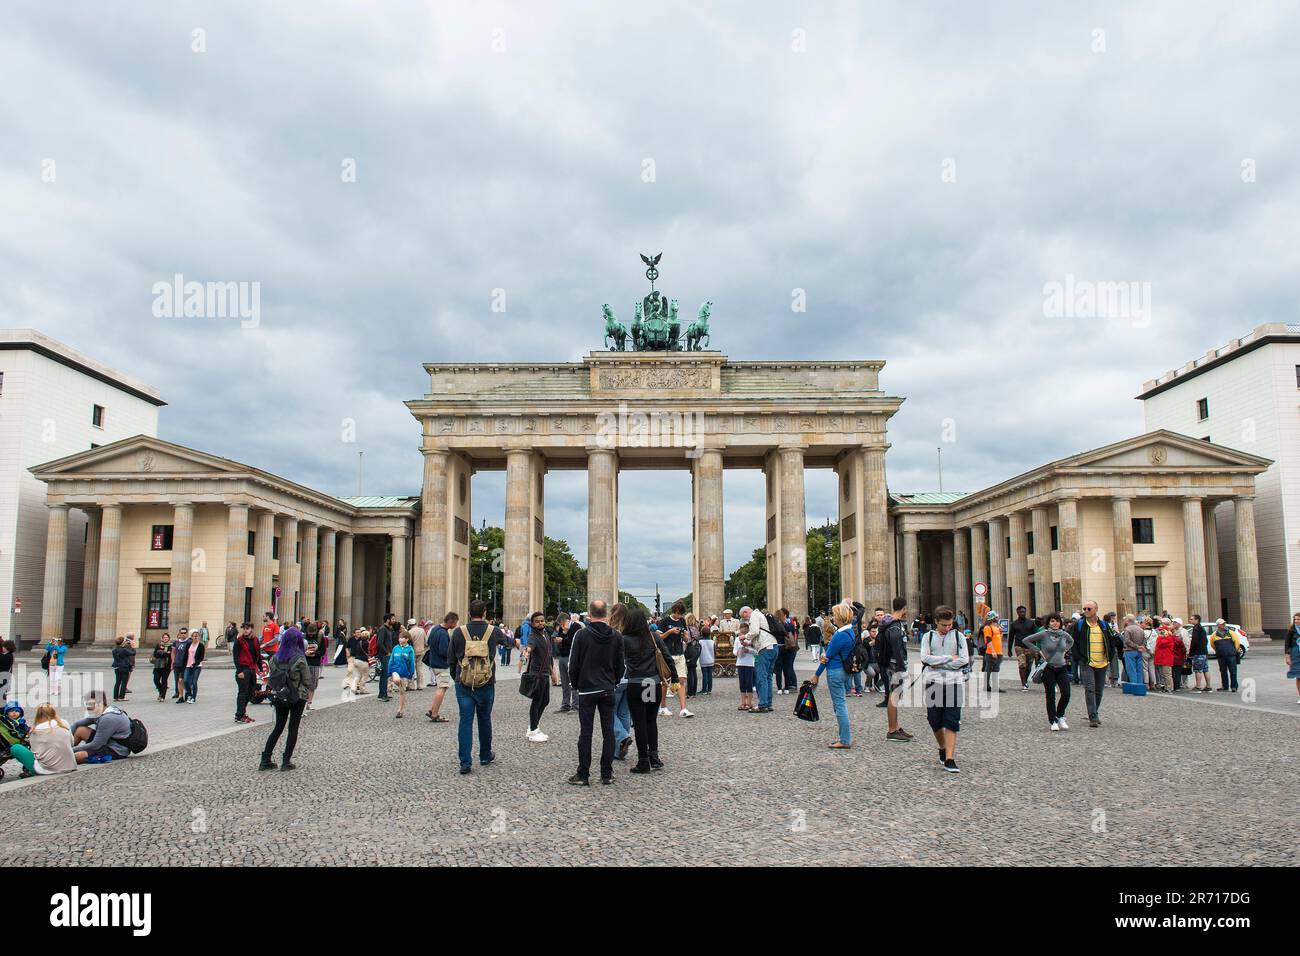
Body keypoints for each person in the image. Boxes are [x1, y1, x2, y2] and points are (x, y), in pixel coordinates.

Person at [567, 599, 626, 785]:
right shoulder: (616, 636)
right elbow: (621, 665)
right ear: (606, 615)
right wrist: (613, 682)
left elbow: (573, 664)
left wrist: (576, 685)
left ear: (589, 615)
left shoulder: (581, 635)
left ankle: (583, 774)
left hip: (586, 690)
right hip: (608, 689)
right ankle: (606, 774)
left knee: (586, 733)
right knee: (608, 732)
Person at [451, 600, 505, 775]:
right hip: (486, 683)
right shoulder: (493, 631)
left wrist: (457, 677)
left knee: (465, 721)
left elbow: (450, 659)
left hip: (464, 683)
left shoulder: (459, 632)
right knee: (484, 718)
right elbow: (510, 642)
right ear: (484, 613)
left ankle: (465, 762)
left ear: (468, 613)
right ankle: (485, 755)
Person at [621, 607, 676, 773]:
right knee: (651, 720)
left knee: (639, 723)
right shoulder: (653, 638)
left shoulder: (624, 640)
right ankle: (654, 757)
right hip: (651, 683)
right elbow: (667, 657)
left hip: (636, 683)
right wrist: (673, 677)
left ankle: (643, 761)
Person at [919, 605, 968, 772]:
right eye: (943, 625)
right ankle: (942, 747)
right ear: (936, 622)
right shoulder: (928, 637)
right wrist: (948, 658)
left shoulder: (959, 636)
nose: (947, 628)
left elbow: (963, 660)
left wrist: (938, 662)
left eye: (950, 625)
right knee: (934, 720)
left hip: (954, 682)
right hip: (934, 681)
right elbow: (925, 658)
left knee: (952, 720)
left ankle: (949, 758)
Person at [259, 626, 310, 771]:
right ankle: (286, 761)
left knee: (278, 727)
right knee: (293, 728)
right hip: (297, 695)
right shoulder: (299, 658)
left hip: (280, 694)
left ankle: (265, 759)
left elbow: (272, 677)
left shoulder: (275, 658)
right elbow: (307, 680)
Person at [809, 602, 857, 749]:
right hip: (843, 669)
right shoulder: (850, 632)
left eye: (834, 615)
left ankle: (844, 740)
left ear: (840, 617)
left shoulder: (839, 635)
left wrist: (816, 674)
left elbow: (827, 657)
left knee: (839, 704)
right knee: (840, 703)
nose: (832, 617)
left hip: (835, 671)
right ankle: (844, 737)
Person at [1023, 612, 1074, 731]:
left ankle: (1060, 715)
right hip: (1048, 668)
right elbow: (1026, 640)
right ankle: (1053, 720)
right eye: (1052, 621)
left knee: (1066, 693)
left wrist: (1066, 649)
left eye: (1057, 621)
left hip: (1061, 667)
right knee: (1050, 695)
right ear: (1048, 623)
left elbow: (1071, 641)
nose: (1055, 623)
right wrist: (1038, 651)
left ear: (1060, 622)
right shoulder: (1043, 634)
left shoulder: (1064, 634)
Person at [1070, 600, 1117, 728]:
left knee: (1099, 690)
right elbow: (1073, 642)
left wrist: (1110, 655)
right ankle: (1092, 716)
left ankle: (1094, 712)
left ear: (1096, 610)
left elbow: (1112, 641)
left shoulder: (1103, 625)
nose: (1085, 611)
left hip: (1102, 661)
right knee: (1089, 688)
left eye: (1088, 609)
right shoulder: (1079, 625)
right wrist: (1079, 657)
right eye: (1084, 609)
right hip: (1087, 662)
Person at [8, 703, 77, 777]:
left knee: (16, 748)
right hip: (70, 766)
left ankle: (30, 771)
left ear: (38, 715)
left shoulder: (35, 730)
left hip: (47, 770)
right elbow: (72, 743)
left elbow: (35, 752)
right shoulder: (64, 723)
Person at [878, 598, 913, 742]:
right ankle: (892, 730)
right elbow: (896, 647)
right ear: (903, 609)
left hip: (891, 663)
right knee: (894, 696)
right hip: (895, 664)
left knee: (895, 695)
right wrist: (901, 665)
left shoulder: (891, 623)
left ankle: (896, 727)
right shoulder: (895, 625)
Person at [71, 691, 132, 763]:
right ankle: (62, 752)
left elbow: (95, 745)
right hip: (107, 741)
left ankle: (62, 756)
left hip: (117, 749)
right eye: (86, 704)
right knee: (80, 730)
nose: (88, 708)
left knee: (77, 757)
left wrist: (71, 750)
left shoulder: (107, 718)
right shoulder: (103, 710)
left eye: (91, 704)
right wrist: (64, 742)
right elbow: (76, 724)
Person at [657, 601, 694, 718]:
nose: (678, 616)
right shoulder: (664, 621)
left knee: (681, 680)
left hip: (679, 653)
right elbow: (659, 637)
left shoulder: (682, 621)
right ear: (674, 611)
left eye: (680, 614)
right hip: (667, 654)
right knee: (665, 682)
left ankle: (683, 709)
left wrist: (686, 636)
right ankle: (663, 707)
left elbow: (687, 637)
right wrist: (670, 632)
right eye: (677, 613)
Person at [739, 605, 778, 714]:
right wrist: (750, 643)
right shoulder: (760, 615)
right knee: (768, 677)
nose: (746, 620)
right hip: (773, 646)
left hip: (765, 648)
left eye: (744, 617)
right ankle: (768, 703)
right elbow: (760, 634)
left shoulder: (754, 615)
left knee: (761, 677)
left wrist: (744, 637)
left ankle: (763, 704)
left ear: (746, 612)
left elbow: (755, 631)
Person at [608, 603, 635, 762]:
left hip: (615, 677)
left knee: (609, 712)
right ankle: (620, 751)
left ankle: (623, 738)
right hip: (631, 677)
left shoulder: (611, 633)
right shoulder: (631, 631)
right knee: (624, 713)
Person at [522, 611, 552, 742]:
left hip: (545, 673)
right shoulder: (533, 636)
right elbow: (530, 646)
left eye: (542, 620)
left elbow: (549, 654)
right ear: (532, 623)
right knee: (537, 701)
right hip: (537, 673)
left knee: (545, 701)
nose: (541, 623)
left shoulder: (545, 634)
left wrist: (553, 672)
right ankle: (533, 730)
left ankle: (533, 726)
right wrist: (527, 651)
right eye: (537, 621)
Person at [424, 612, 456, 722]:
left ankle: (432, 709)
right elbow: (444, 651)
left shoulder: (435, 629)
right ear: (451, 621)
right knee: (443, 687)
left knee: (440, 687)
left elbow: (428, 642)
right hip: (441, 664)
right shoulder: (443, 633)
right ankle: (435, 714)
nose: (456, 625)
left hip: (433, 662)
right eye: (455, 622)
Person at [230, 623, 261, 723]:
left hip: (252, 669)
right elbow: (236, 657)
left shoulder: (255, 640)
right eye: (244, 629)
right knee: (243, 693)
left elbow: (258, 655)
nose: (245, 630)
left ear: (251, 629)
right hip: (243, 669)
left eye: (247, 628)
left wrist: (260, 669)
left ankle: (242, 713)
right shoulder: (239, 641)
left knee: (251, 692)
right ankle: (239, 715)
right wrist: (239, 671)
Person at [553, 611, 578, 712]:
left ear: (567, 620)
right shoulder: (562, 629)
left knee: (573, 682)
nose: (560, 625)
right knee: (564, 682)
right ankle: (565, 704)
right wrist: (562, 635)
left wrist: (564, 637)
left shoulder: (576, 627)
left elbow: (574, 642)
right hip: (562, 656)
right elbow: (561, 642)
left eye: (561, 623)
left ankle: (576, 705)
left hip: (572, 657)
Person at [389, 628, 416, 718]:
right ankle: (396, 682)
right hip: (395, 670)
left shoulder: (409, 649)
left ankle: (400, 710)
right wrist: (389, 671)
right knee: (396, 680)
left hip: (404, 672)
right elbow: (391, 660)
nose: (400, 639)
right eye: (400, 638)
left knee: (402, 692)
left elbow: (411, 662)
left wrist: (411, 673)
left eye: (402, 638)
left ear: (407, 639)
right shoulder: (395, 648)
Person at [1009, 606, 1037, 690]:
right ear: (1017, 613)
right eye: (1021, 612)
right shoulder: (1014, 624)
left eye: (1024, 612)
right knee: (1022, 665)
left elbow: (1035, 636)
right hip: (1019, 646)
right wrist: (1009, 649)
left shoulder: (1031, 623)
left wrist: (1035, 649)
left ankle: (1025, 680)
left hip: (1029, 646)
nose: (1022, 613)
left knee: (1029, 666)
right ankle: (1023, 683)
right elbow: (1011, 637)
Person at [734, 609, 757, 711]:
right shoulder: (736, 639)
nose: (742, 633)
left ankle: (749, 703)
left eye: (744, 631)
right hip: (740, 663)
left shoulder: (751, 639)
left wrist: (747, 650)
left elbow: (756, 652)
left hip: (749, 663)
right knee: (742, 684)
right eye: (741, 631)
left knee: (749, 683)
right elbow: (734, 652)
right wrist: (739, 651)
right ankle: (743, 702)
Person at [1210, 619, 1241, 692]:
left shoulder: (1231, 633)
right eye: (1222, 624)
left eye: (1224, 623)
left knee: (1233, 671)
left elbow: (1237, 642)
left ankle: (1234, 686)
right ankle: (1225, 686)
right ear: (1218, 625)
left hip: (1231, 655)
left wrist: (1234, 651)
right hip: (1221, 656)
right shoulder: (1214, 635)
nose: (1224, 625)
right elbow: (1212, 645)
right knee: (1223, 671)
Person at [303, 620, 327, 708]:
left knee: (313, 683)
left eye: (313, 633)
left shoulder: (320, 637)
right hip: (305, 662)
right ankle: (304, 701)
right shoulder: (304, 637)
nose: (311, 635)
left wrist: (315, 654)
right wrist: (305, 653)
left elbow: (323, 651)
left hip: (315, 663)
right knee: (304, 683)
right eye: (310, 633)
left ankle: (309, 702)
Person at [979, 611, 1004, 694]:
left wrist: (1001, 632)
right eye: (996, 617)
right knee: (989, 669)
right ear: (993, 618)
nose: (998, 618)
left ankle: (995, 686)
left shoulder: (996, 627)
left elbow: (998, 639)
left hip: (999, 652)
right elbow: (988, 640)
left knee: (996, 669)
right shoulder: (987, 628)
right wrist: (993, 651)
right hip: (991, 652)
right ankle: (987, 686)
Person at [375, 614, 397, 702]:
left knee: (386, 674)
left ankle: (384, 693)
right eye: (393, 619)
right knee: (384, 674)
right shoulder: (383, 629)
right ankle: (382, 694)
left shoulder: (388, 629)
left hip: (387, 654)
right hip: (384, 655)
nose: (394, 620)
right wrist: (387, 652)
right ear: (388, 620)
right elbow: (379, 643)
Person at [343, 628, 371, 695]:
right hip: (360, 659)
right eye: (357, 632)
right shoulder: (366, 643)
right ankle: (362, 689)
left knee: (358, 675)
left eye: (359, 632)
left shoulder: (360, 641)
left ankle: (353, 688)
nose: (358, 633)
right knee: (364, 675)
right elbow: (369, 651)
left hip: (356, 659)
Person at [182, 629, 206, 703]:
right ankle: (189, 694)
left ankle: (193, 698)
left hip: (197, 666)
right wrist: (184, 664)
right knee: (185, 681)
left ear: (199, 637)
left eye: (197, 636)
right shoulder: (189, 644)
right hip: (188, 665)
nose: (196, 637)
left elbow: (202, 656)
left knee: (194, 682)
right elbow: (185, 655)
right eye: (194, 636)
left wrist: (196, 663)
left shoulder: (201, 645)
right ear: (191, 637)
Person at [1188, 614, 1211, 692]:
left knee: (1198, 670)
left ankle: (1198, 686)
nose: (1190, 620)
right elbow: (1206, 641)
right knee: (1205, 669)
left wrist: (1191, 652)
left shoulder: (1196, 629)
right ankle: (1208, 686)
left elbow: (1194, 641)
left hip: (1198, 652)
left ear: (1196, 620)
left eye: (1191, 619)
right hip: (1204, 652)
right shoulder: (1202, 628)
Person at [109, 635, 134, 702]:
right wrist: (132, 646)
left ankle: (115, 697)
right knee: (124, 682)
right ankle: (121, 697)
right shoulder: (124, 650)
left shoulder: (114, 650)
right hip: (124, 667)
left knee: (117, 682)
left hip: (117, 667)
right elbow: (133, 653)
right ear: (122, 643)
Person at [1153, 620, 1176, 692]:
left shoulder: (1168, 638)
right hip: (1162, 658)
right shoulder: (1164, 637)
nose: (1160, 632)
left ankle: (1169, 688)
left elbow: (1160, 643)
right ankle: (1166, 687)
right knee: (1163, 674)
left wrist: (1160, 637)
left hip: (1166, 658)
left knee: (1167, 674)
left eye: (1161, 631)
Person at [150, 633, 173, 703]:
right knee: (156, 680)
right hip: (158, 665)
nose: (165, 638)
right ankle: (161, 691)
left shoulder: (171, 646)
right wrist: (165, 653)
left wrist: (162, 653)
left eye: (167, 637)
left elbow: (170, 654)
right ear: (162, 638)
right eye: (164, 637)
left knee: (164, 680)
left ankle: (162, 696)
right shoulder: (158, 645)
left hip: (167, 665)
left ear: (169, 638)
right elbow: (155, 654)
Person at [406, 618, 428, 690]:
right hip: (421, 651)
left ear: (409, 625)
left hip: (413, 652)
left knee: (411, 668)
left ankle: (411, 685)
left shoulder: (409, 632)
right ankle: (420, 685)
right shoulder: (422, 630)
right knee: (419, 668)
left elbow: (408, 643)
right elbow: (426, 641)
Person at [684, 615, 702, 698]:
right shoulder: (696, 629)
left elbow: (687, 641)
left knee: (689, 671)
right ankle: (694, 692)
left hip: (689, 650)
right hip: (696, 649)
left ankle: (690, 692)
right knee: (693, 670)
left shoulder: (687, 628)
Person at [170, 629, 191, 699]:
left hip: (185, 664)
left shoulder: (189, 642)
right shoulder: (176, 642)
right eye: (181, 633)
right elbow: (173, 652)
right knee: (177, 679)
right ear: (179, 634)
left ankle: (187, 692)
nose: (183, 634)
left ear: (187, 633)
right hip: (177, 663)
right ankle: (177, 692)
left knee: (184, 680)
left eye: (184, 633)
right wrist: (173, 661)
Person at [1286, 612, 1300, 704]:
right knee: (1299, 676)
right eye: (1295, 619)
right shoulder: (1291, 630)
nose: (1296, 621)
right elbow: (1287, 643)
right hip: (1295, 654)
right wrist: (1287, 656)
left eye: (1298, 619)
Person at [698, 625, 716, 695]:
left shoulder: (700, 642)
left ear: (702, 633)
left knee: (704, 675)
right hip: (711, 659)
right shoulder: (712, 641)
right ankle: (709, 689)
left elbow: (699, 651)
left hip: (703, 659)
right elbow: (714, 651)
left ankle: (704, 689)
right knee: (710, 675)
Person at [0, 638, 13, 702]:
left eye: (3, 646)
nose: (2, 648)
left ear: (7, 648)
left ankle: (2, 708)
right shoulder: (8, 655)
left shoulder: (7, 656)